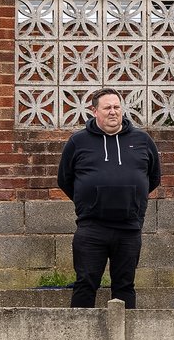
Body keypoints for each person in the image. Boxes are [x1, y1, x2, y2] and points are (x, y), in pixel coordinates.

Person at [55, 88, 162, 309]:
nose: (113, 112)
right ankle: (81, 339)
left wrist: (132, 199)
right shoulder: (78, 141)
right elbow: (65, 180)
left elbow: (153, 177)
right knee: (85, 284)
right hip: (92, 228)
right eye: (107, 108)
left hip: (129, 228)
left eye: (116, 107)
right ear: (95, 111)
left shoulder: (142, 140)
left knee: (125, 286)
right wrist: (90, 201)